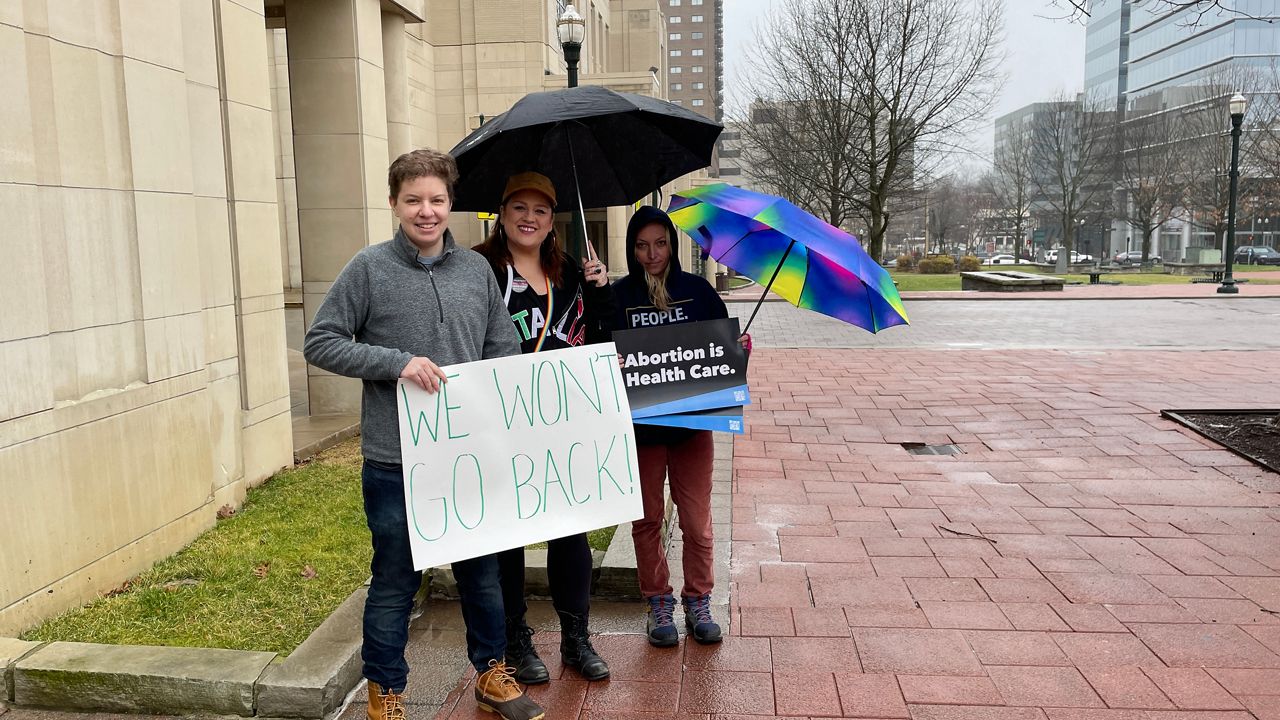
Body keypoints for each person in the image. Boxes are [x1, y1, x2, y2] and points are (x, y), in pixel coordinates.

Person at [303, 149, 544, 720]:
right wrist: (397, 362)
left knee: (481, 573)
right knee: (394, 579)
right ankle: (385, 691)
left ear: (451, 204)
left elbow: (500, 347)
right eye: (413, 200)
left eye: (436, 199)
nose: (426, 211)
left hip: (466, 456)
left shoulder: (477, 272)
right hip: (395, 461)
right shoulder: (367, 269)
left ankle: (491, 673)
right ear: (394, 204)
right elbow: (322, 341)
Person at [474, 171, 614, 684]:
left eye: (540, 210)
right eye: (519, 208)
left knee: (568, 531)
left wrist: (600, 293)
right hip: (502, 421)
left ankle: (576, 637)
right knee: (509, 535)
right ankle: (516, 638)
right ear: (502, 214)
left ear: (552, 220)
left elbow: (596, 340)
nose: (529, 218)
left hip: (563, 423)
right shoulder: (480, 269)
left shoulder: (571, 271)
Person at [612, 206, 745, 648]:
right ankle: (657, 601)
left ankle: (698, 599)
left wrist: (738, 351)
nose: (652, 253)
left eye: (661, 243)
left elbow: (722, 361)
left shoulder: (700, 291)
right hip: (642, 429)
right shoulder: (619, 298)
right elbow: (599, 359)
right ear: (632, 249)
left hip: (691, 429)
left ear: (672, 243)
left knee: (697, 522)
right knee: (646, 519)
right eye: (642, 245)